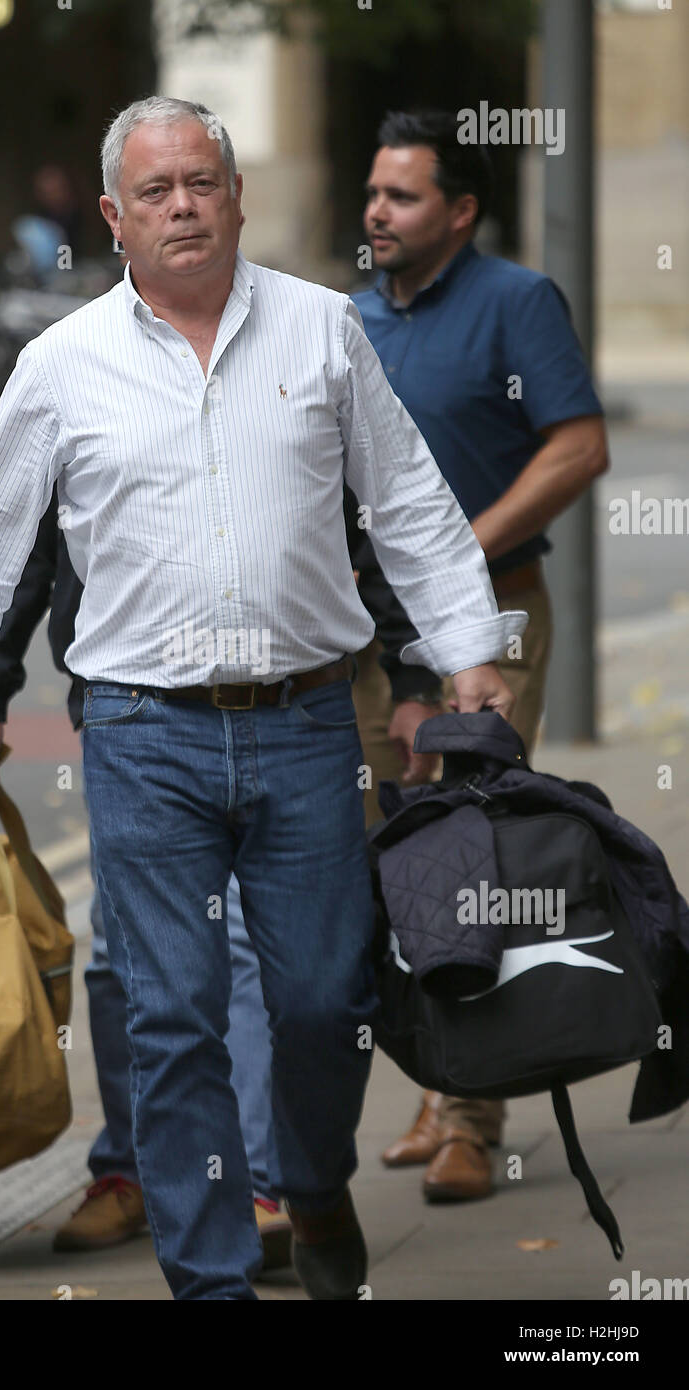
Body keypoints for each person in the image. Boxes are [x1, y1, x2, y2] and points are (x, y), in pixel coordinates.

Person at [0, 96, 524, 1301]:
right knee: (170, 1020)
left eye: (202, 183)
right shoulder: (59, 367)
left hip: (304, 725)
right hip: (139, 734)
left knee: (326, 1006)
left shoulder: (324, 330)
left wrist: (465, 649)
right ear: (115, 219)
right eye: (156, 191)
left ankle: (314, 1187)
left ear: (236, 199)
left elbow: (409, 502)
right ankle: (210, 1282)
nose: (183, 205)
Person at [0, 480, 445, 1271]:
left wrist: (414, 676)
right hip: (132, 712)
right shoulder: (73, 362)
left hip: (295, 712)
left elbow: (375, 514)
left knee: (310, 991)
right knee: (140, 972)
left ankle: (283, 1182)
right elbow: (20, 543)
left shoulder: (302, 356)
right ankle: (146, 1183)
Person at [351, 109, 608, 1203]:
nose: (375, 210)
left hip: (492, 619)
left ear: (458, 210)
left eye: (401, 195)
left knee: (471, 860)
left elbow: (579, 444)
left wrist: (464, 545)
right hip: (367, 639)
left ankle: (472, 1120)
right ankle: (433, 1081)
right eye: (372, 192)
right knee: (391, 864)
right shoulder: (348, 316)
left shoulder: (514, 303)